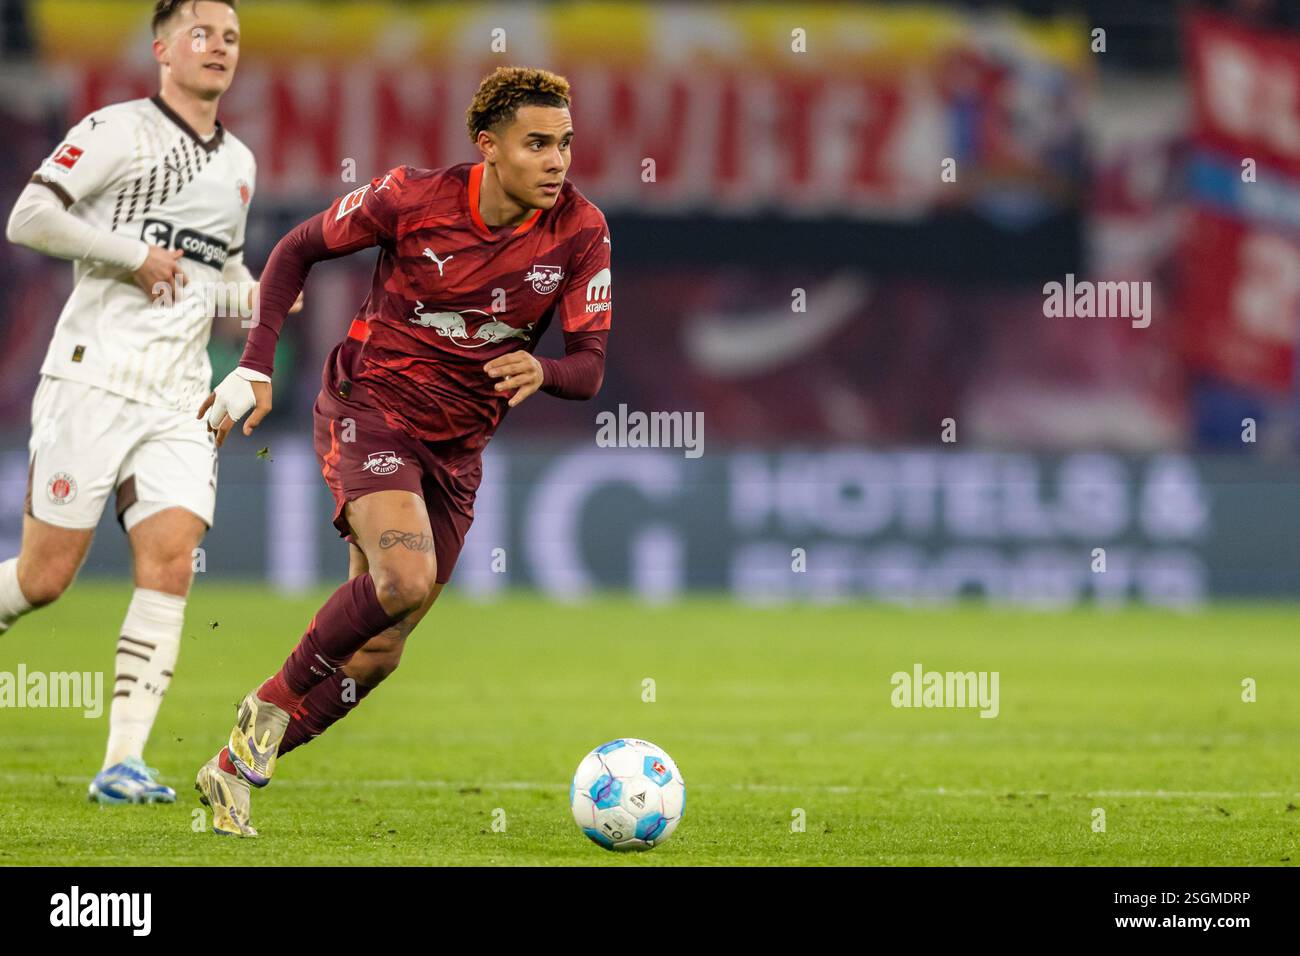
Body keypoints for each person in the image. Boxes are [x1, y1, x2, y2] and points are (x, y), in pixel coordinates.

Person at [194, 65, 612, 837]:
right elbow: (294, 250)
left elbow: (588, 369)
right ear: (489, 147)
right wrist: (254, 364)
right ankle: (269, 706)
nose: (558, 161)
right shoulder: (410, 198)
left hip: (457, 450)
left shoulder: (582, 233)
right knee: (405, 576)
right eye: (538, 145)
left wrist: (543, 368)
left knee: (381, 651)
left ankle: (230, 769)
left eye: (566, 145)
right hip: (370, 412)